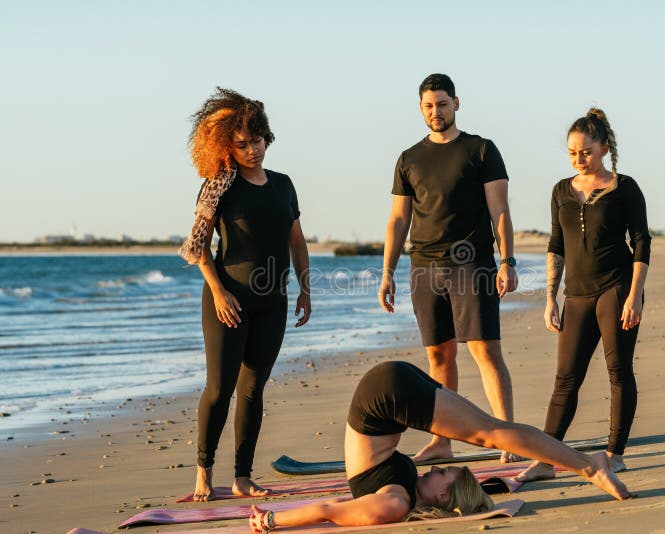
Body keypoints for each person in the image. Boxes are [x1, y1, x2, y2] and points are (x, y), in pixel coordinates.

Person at [249, 360, 631, 532]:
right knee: (491, 429)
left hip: (387, 396)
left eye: (444, 472)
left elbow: (329, 510)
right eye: (444, 469)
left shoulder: (395, 503)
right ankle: (587, 464)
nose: (436, 469)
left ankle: (588, 466)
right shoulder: (405, 492)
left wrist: (269, 520)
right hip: (389, 395)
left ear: (444, 495)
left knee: (491, 432)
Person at [379, 73, 521, 463]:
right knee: (438, 357)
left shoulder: (481, 150)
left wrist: (507, 261)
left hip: (471, 263)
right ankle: (443, 442)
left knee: (485, 349)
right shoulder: (408, 158)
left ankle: (507, 435)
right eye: (428, 105)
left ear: (456, 104)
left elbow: (500, 210)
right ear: (420, 109)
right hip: (424, 267)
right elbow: (397, 220)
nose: (435, 112)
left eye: (442, 104)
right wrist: (387, 272)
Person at [179, 88, 312, 501]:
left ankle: (241, 477)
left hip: (273, 301)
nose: (252, 150)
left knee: (253, 390)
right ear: (227, 146)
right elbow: (197, 247)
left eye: (257, 142)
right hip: (229, 300)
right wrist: (218, 292)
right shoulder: (219, 186)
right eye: (242, 144)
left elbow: (297, 239)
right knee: (220, 389)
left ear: (266, 139)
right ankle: (203, 472)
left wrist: (306, 288)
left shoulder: (284, 185)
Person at [516, 108, 650, 483]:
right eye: (573, 151)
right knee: (565, 378)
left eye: (586, 151)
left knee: (618, 371)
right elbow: (555, 245)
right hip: (575, 295)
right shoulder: (561, 190)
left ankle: (615, 453)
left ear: (604, 148)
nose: (579, 158)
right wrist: (550, 298)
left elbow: (640, 242)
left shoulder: (624, 187)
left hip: (617, 288)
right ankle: (545, 460)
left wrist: (634, 295)